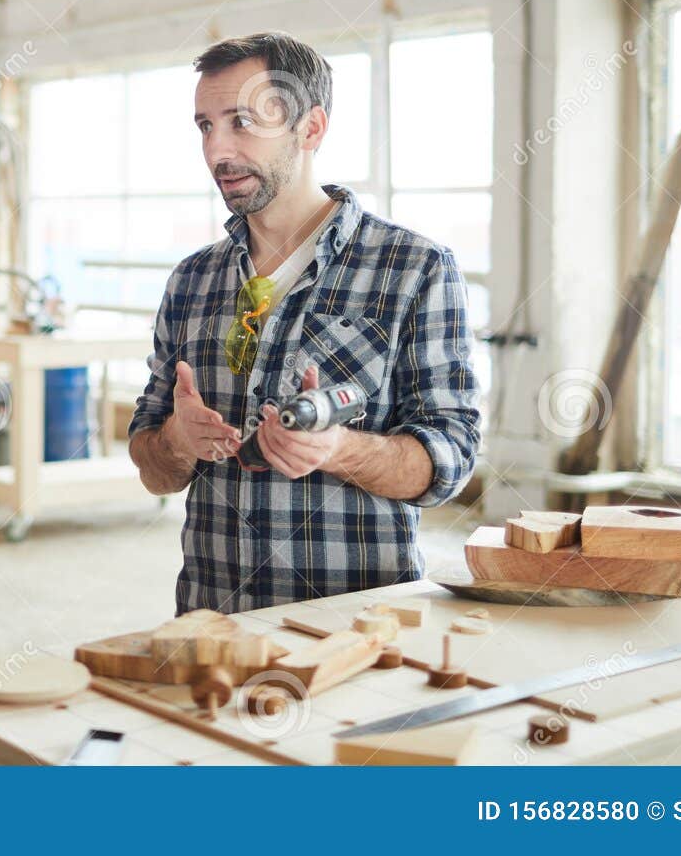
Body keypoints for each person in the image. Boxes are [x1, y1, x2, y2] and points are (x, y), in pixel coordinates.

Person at [128, 32, 480, 614]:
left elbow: (452, 459)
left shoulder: (413, 268)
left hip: (354, 630)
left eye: (242, 122)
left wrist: (338, 449)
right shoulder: (191, 282)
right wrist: (177, 442)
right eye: (205, 126)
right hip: (212, 625)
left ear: (310, 128)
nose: (217, 150)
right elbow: (154, 471)